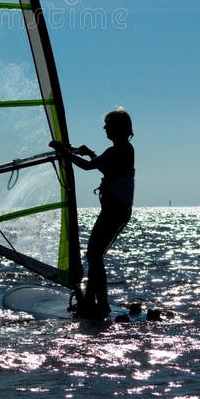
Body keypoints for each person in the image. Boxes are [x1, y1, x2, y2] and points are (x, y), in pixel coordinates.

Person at [50, 108, 135, 318]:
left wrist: (63, 153)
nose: (104, 128)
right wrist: (90, 153)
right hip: (119, 210)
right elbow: (108, 169)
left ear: (117, 128)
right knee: (95, 255)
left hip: (114, 211)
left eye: (108, 125)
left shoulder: (118, 150)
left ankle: (101, 303)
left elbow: (88, 167)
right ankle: (93, 301)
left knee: (94, 255)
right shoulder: (124, 148)